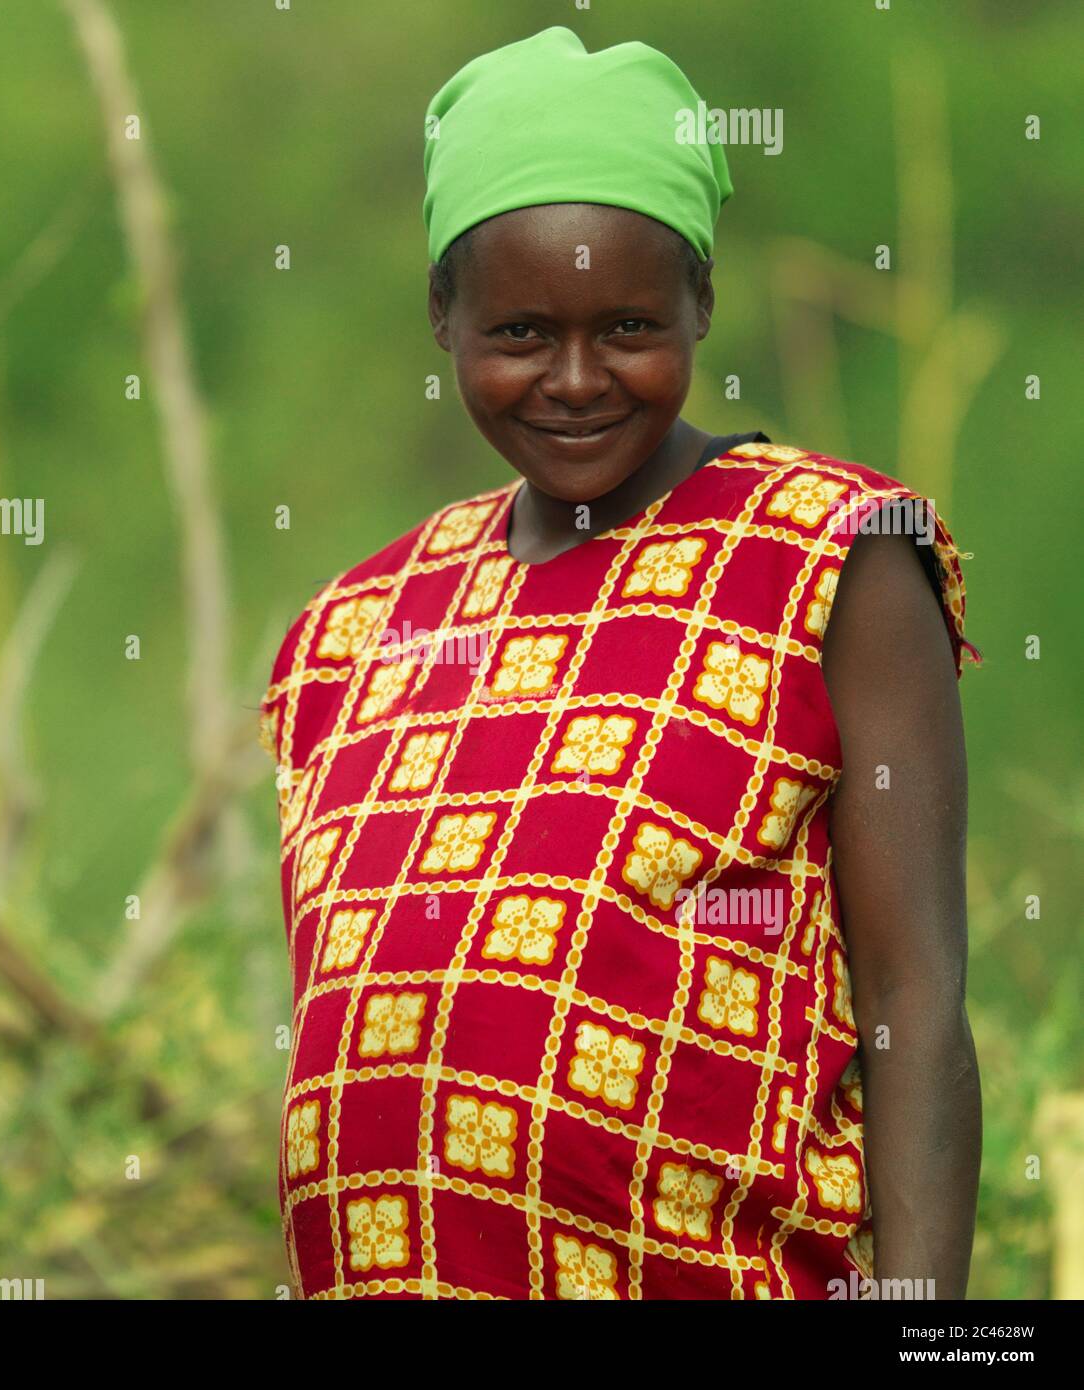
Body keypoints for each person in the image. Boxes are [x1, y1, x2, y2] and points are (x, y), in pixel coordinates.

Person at [260, 25, 982, 1301]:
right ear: (442, 314)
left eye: (632, 325)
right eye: (523, 332)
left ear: (701, 302)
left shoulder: (827, 554)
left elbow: (911, 1001)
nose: (579, 381)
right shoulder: (358, 623)